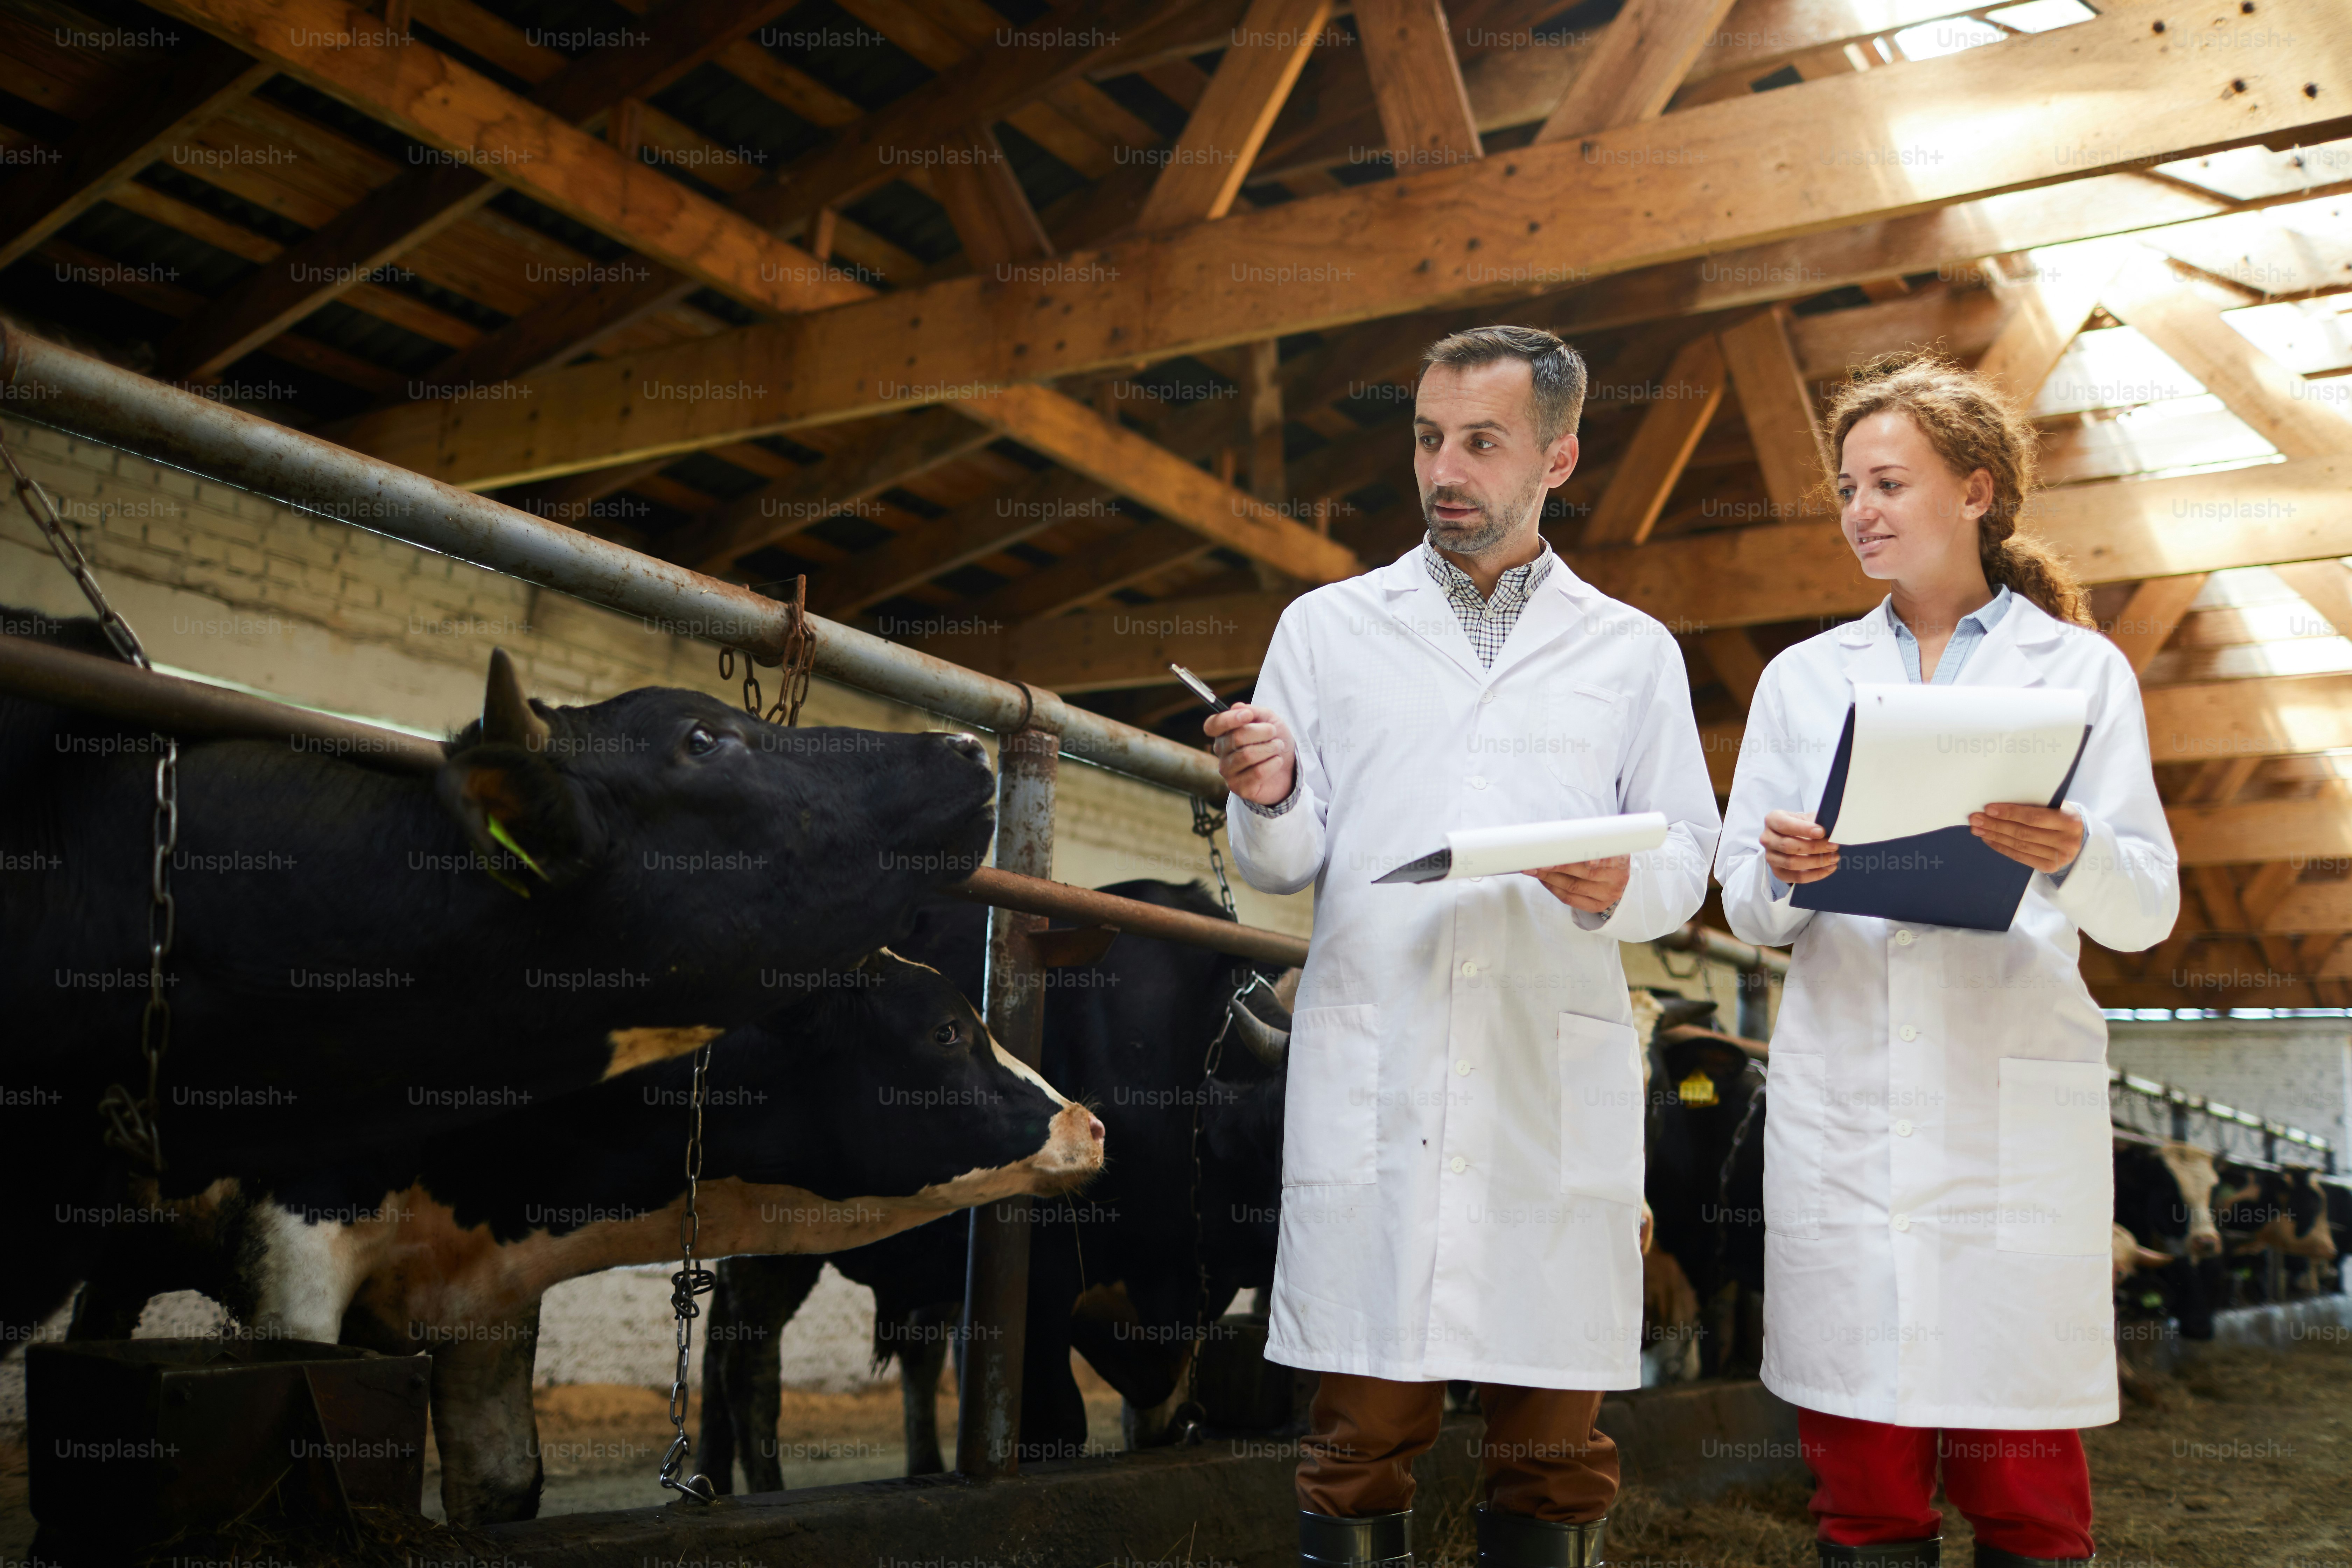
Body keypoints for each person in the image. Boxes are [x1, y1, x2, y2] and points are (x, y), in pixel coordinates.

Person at [1207, 325, 1721, 1568]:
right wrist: (1267, 792)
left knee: (1553, 1450)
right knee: (1355, 1437)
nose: (1446, 467)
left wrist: (1616, 882)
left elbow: (1689, 854)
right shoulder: (1327, 629)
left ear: (1559, 456)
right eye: (1431, 438)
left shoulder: (1631, 649)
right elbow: (1276, 862)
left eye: (1482, 442)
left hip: (1545, 1071)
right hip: (1382, 1061)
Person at [1714, 351, 2180, 1568]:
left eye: (1891, 483)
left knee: (2023, 1474)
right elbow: (1745, 905)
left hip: (2004, 1111)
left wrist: (2074, 850)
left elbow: (2147, 909)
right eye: (1849, 488)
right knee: (1862, 1481)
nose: (1862, 510)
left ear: (1977, 492)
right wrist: (1785, 871)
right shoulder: (1802, 681)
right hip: (1852, 1107)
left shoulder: (2079, 674)